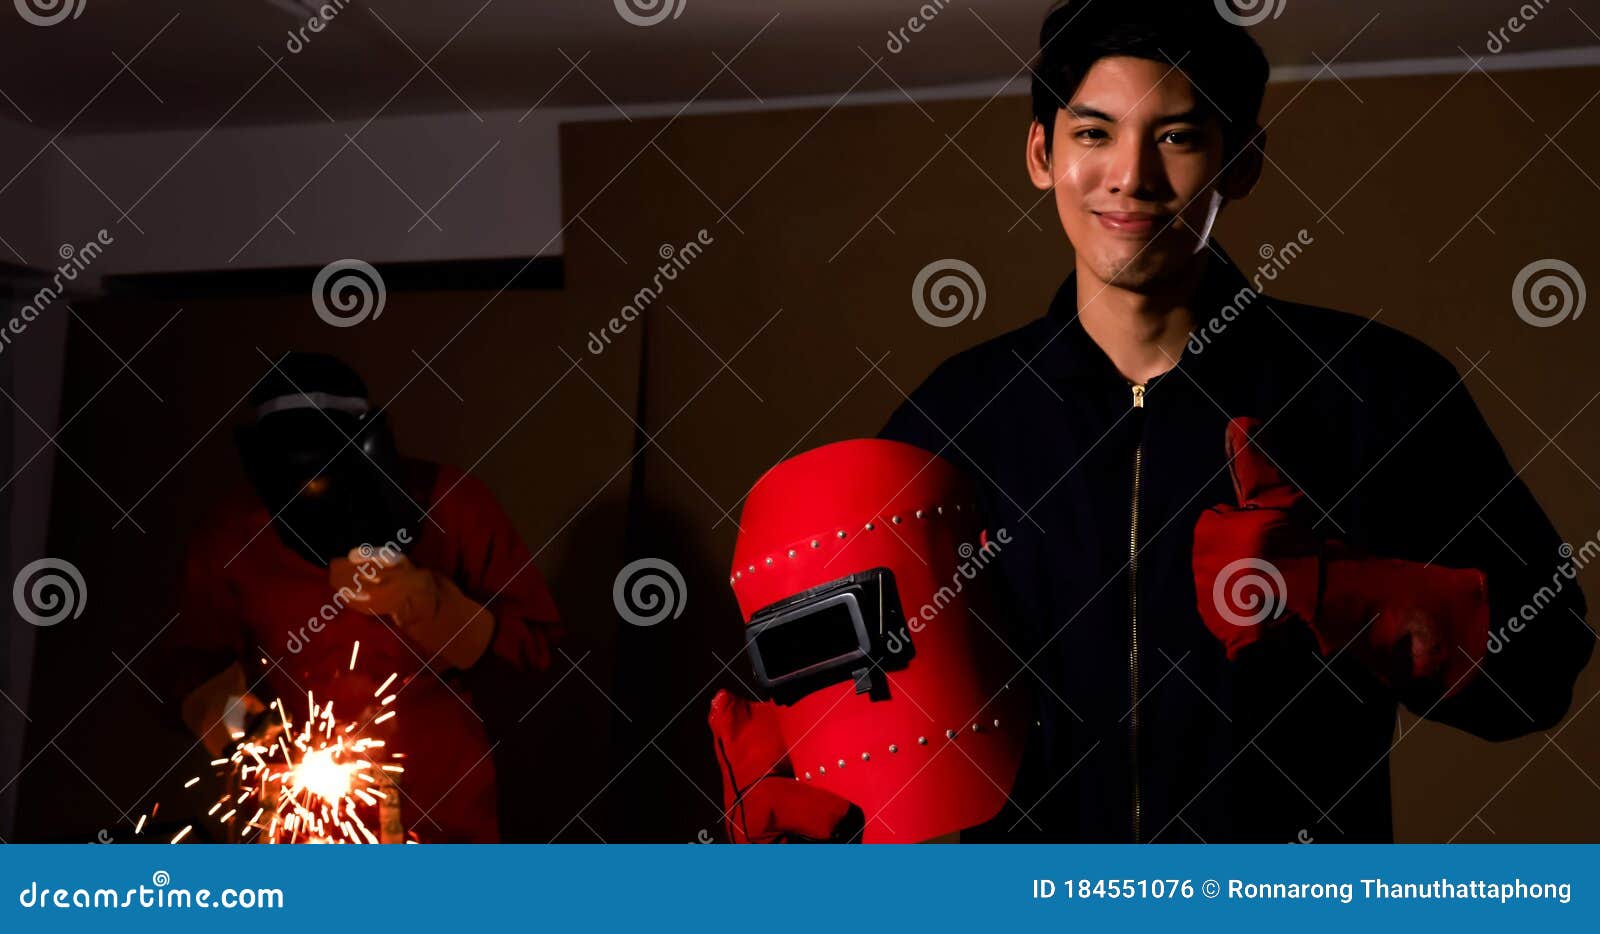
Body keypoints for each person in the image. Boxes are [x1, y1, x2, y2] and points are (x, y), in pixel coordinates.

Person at [719, 0, 1593, 843]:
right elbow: (855, 689)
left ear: (1241, 161)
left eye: (1176, 136)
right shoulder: (954, 416)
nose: (1130, 177)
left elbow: (1542, 664)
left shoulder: (1375, 387)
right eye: (1093, 133)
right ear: (1041, 153)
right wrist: (795, 771)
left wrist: (1350, 595)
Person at [162, 352, 561, 842]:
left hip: (445, 825)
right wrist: (241, 726)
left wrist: (443, 611)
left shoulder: (454, 506)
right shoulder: (231, 536)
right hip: (294, 824)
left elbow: (539, 660)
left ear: (371, 447)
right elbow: (188, 670)